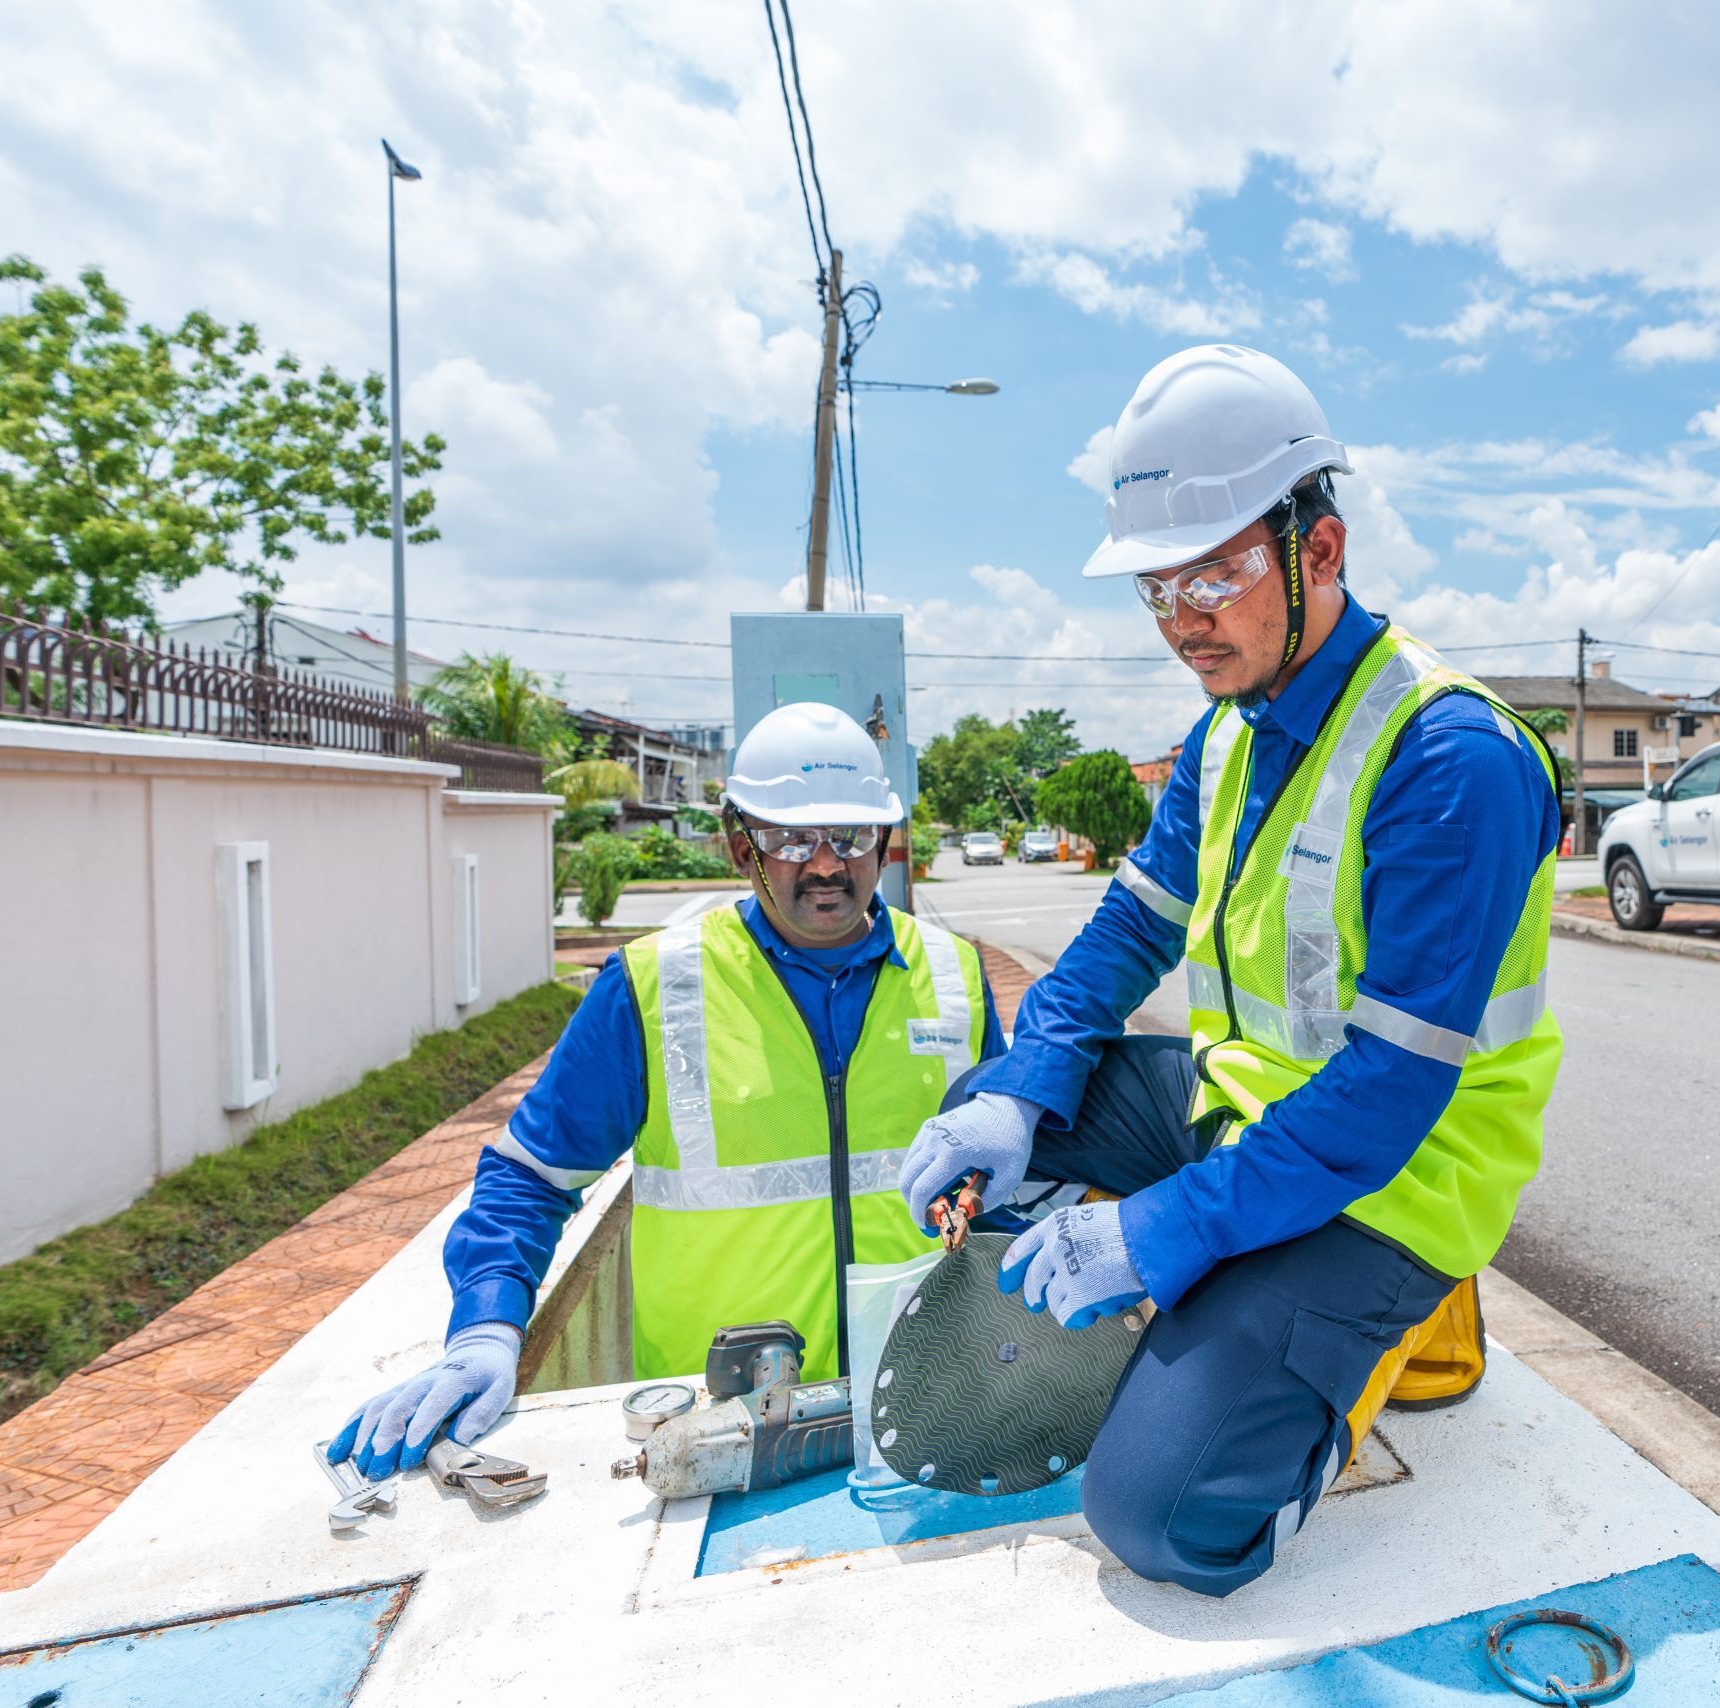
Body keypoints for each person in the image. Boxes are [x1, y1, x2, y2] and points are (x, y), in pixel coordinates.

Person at [899, 344, 1565, 1596]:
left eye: (1214, 573)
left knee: (1160, 1521)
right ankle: (1234, 1299)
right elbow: (1122, 935)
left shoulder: (1447, 758)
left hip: (1394, 1178)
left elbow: (1383, 1097)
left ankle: (1390, 1327)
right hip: (1245, 1114)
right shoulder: (1224, 737)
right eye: (1158, 586)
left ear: (1320, 550)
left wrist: (1158, 1231)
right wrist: (1019, 1088)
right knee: (995, 1109)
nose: (1183, 620)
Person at [329, 702, 1000, 1479]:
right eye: (789, 838)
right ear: (739, 845)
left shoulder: (955, 978)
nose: (824, 864)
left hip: (924, 1401)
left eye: (849, 835)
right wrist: (485, 1329)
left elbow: (1015, 1178)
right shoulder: (653, 988)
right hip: (718, 1434)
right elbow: (529, 1177)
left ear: (883, 842)